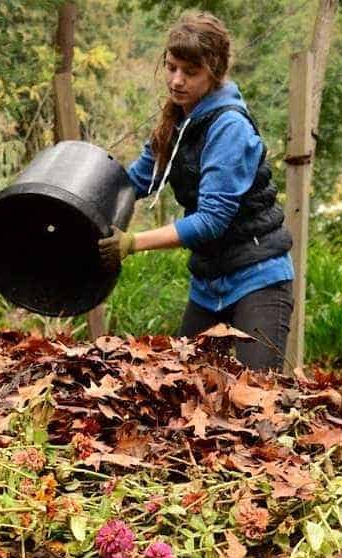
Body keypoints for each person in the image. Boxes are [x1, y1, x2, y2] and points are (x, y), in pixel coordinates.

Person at [99, 12, 294, 371]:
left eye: (190, 72)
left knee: (259, 398)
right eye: (172, 68)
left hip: (258, 277)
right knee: (183, 388)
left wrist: (131, 243)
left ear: (214, 72)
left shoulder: (229, 127)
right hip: (208, 282)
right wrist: (80, 201)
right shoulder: (176, 121)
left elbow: (210, 222)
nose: (176, 81)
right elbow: (135, 183)